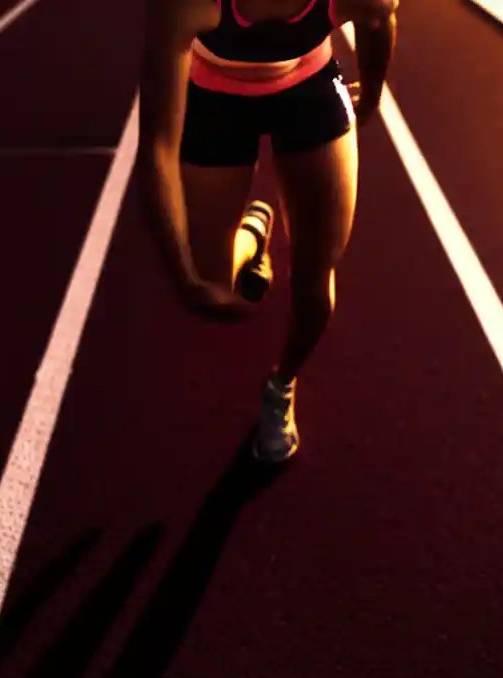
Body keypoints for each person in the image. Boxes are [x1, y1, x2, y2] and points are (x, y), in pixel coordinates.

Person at [138, 0, 398, 462]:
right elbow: (158, 146)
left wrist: (373, 96)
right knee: (212, 278)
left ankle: (282, 383)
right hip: (215, 98)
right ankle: (253, 235)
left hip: (308, 86)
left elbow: (380, 21)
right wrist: (183, 276)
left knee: (316, 278)